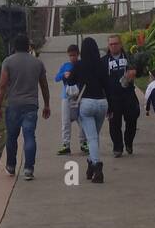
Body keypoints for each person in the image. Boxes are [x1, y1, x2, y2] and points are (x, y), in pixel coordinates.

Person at [0, 32, 50, 180]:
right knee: (29, 136)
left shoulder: (8, 61)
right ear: (28, 47)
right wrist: (47, 104)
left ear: (14, 47)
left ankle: (11, 166)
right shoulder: (37, 63)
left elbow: (2, 85)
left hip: (13, 105)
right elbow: (44, 85)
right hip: (31, 105)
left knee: (12, 137)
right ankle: (28, 169)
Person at [65, 36, 109, 182]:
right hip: (102, 103)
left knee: (91, 138)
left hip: (86, 104)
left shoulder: (78, 65)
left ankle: (97, 167)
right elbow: (107, 86)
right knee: (94, 137)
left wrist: (66, 76)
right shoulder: (102, 64)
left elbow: (70, 81)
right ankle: (90, 164)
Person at [102, 34, 140, 157]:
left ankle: (129, 142)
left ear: (120, 44)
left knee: (132, 120)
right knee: (114, 124)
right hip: (113, 98)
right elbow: (101, 79)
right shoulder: (104, 61)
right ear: (108, 46)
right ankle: (117, 147)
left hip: (128, 95)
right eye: (111, 44)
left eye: (116, 43)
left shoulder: (128, 57)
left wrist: (133, 72)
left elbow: (137, 70)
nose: (113, 46)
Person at [55, 44, 89, 156]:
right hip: (66, 96)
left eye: (74, 55)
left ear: (78, 54)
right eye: (70, 55)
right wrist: (64, 75)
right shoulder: (66, 66)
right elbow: (57, 78)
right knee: (65, 121)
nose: (72, 58)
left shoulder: (81, 65)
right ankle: (66, 144)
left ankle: (83, 143)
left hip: (80, 97)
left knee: (82, 120)